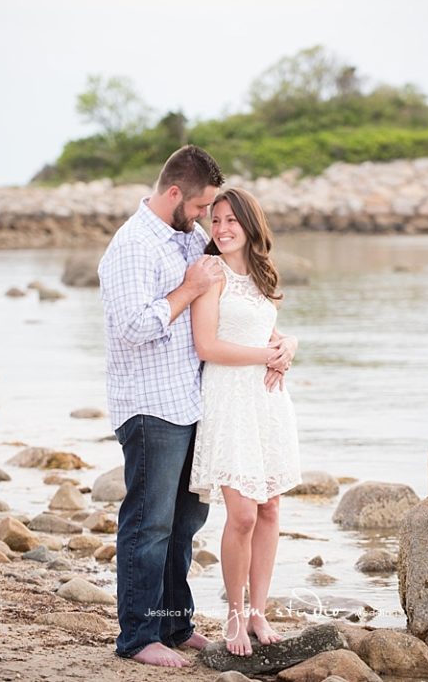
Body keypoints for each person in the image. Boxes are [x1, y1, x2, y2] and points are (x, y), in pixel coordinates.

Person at [98, 145, 227, 668]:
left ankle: (174, 624)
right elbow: (132, 328)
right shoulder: (132, 246)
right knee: (149, 524)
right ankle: (137, 637)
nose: (204, 217)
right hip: (150, 406)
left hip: (191, 400)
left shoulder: (187, 235)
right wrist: (189, 289)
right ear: (174, 193)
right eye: (199, 206)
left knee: (186, 522)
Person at [188, 187, 300, 656]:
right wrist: (265, 356)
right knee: (242, 514)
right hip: (228, 400)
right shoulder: (210, 274)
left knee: (270, 508)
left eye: (231, 220)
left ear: (250, 224)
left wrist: (288, 346)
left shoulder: (261, 273)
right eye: (215, 220)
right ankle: (234, 616)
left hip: (267, 403)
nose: (222, 229)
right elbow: (207, 346)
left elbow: (268, 330)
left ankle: (259, 612)